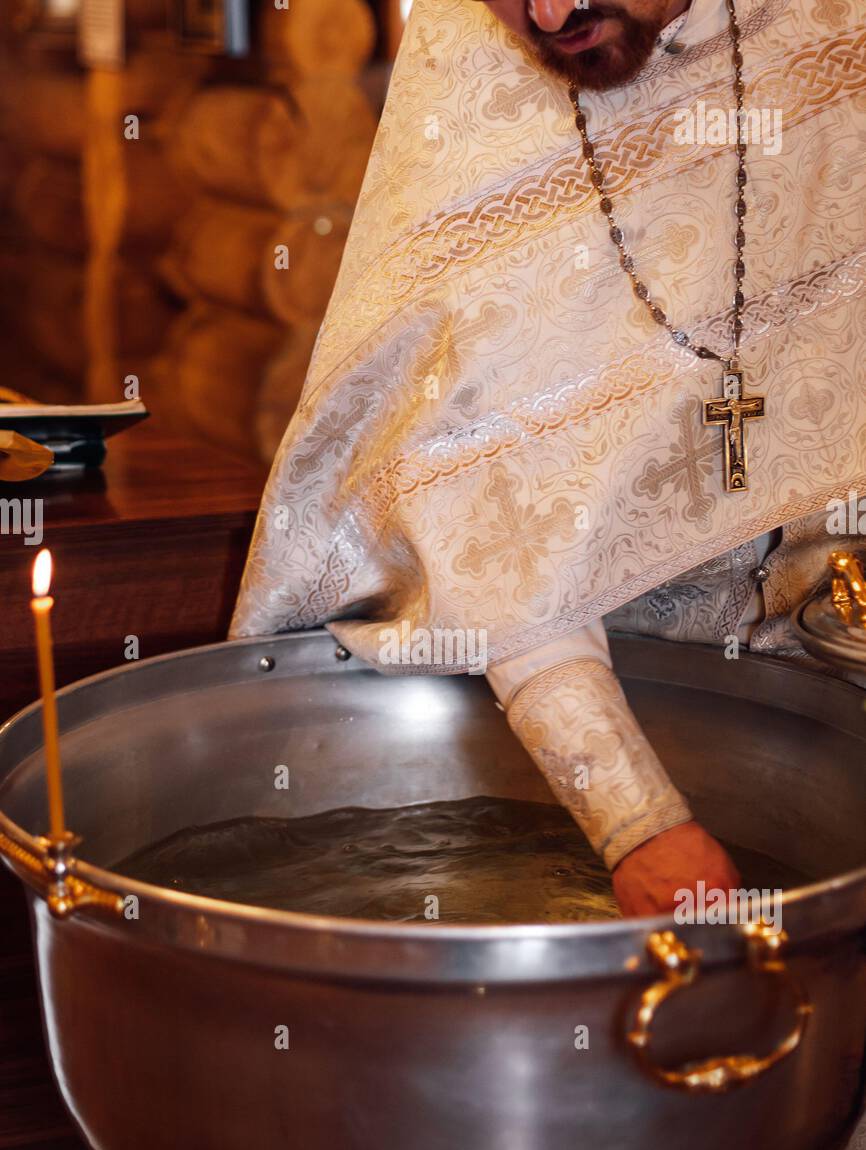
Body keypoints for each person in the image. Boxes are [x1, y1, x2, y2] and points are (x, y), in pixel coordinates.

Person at [231, 0, 866, 917]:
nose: (549, 12)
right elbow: (475, 505)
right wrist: (637, 818)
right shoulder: (473, 56)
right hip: (565, 717)